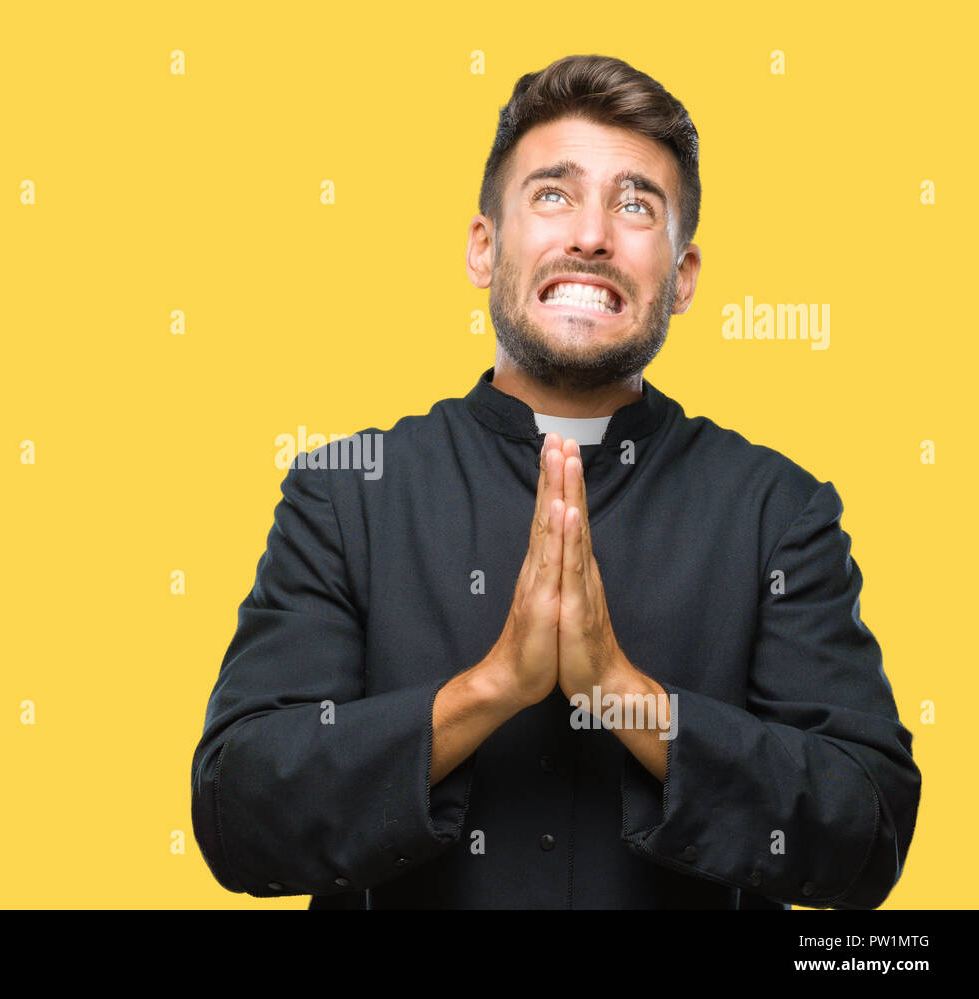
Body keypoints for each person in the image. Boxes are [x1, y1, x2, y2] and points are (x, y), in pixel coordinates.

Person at [189, 54, 921, 909]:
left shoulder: (777, 510)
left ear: (681, 279)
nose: (592, 235)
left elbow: (868, 830)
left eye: (637, 203)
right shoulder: (348, 493)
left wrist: (624, 694)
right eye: (552, 193)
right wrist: (491, 687)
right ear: (483, 246)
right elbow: (238, 813)